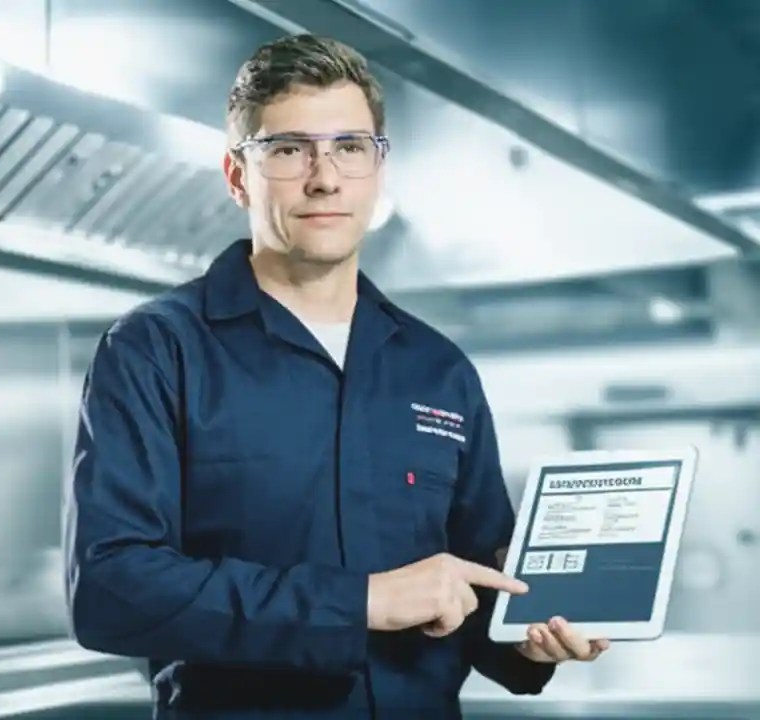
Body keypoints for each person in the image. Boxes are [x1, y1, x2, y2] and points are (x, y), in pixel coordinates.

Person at [62, 32, 609, 719]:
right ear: (238, 177)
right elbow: (111, 589)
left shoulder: (439, 370)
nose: (325, 177)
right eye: (289, 149)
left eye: (350, 147)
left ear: (378, 169)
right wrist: (362, 603)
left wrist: (528, 643)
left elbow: (477, 589)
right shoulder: (155, 350)